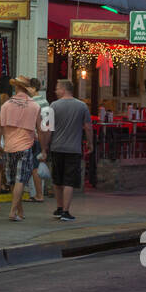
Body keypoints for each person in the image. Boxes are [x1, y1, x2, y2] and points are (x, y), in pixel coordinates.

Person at [0, 75, 48, 222]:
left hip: (9, 147)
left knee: (13, 181)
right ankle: (13, 211)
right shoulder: (34, 106)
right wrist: (44, 149)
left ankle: (20, 210)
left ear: (16, 88)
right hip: (25, 147)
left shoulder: (6, 105)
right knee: (20, 180)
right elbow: (41, 129)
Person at [48, 79, 92, 222]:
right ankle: (66, 211)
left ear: (63, 89)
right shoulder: (82, 106)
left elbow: (48, 128)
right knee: (69, 181)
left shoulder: (53, 105)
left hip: (56, 147)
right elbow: (88, 127)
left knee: (57, 180)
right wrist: (90, 143)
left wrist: (45, 146)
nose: (55, 91)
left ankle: (59, 207)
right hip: (73, 149)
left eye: (57, 88)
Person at [25, 77, 49, 202]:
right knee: (37, 165)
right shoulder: (45, 102)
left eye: (28, 87)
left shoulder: (32, 103)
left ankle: (39, 194)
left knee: (34, 167)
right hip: (43, 137)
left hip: (34, 137)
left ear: (33, 88)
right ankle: (38, 193)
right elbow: (49, 123)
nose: (27, 90)